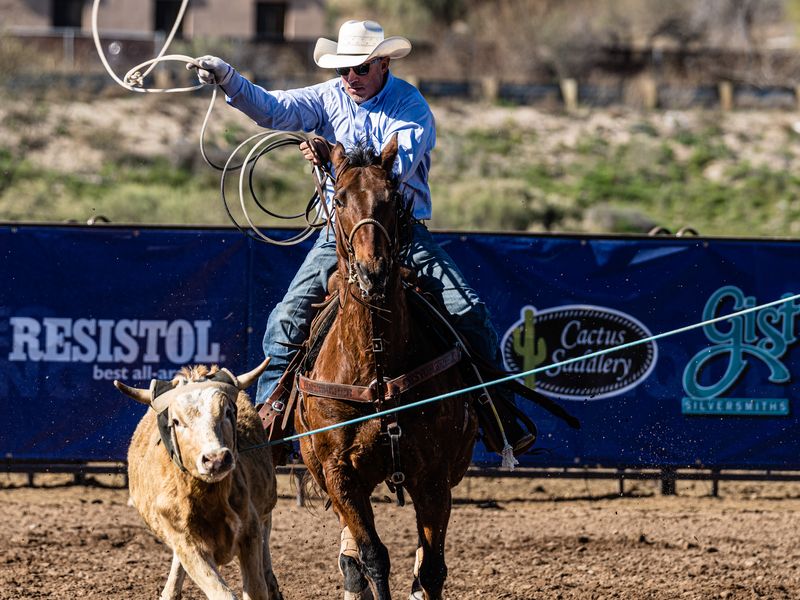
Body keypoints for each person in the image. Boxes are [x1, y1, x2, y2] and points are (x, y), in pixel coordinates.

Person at [191, 19, 535, 456]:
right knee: (284, 321)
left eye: (360, 68)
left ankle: (499, 412)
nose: (350, 77)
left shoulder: (410, 106)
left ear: (383, 64)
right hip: (339, 235)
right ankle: (269, 421)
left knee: (468, 312)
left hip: (402, 233)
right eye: (343, 69)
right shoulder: (327, 97)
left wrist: (330, 159)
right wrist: (228, 77)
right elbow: (273, 109)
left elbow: (391, 169)